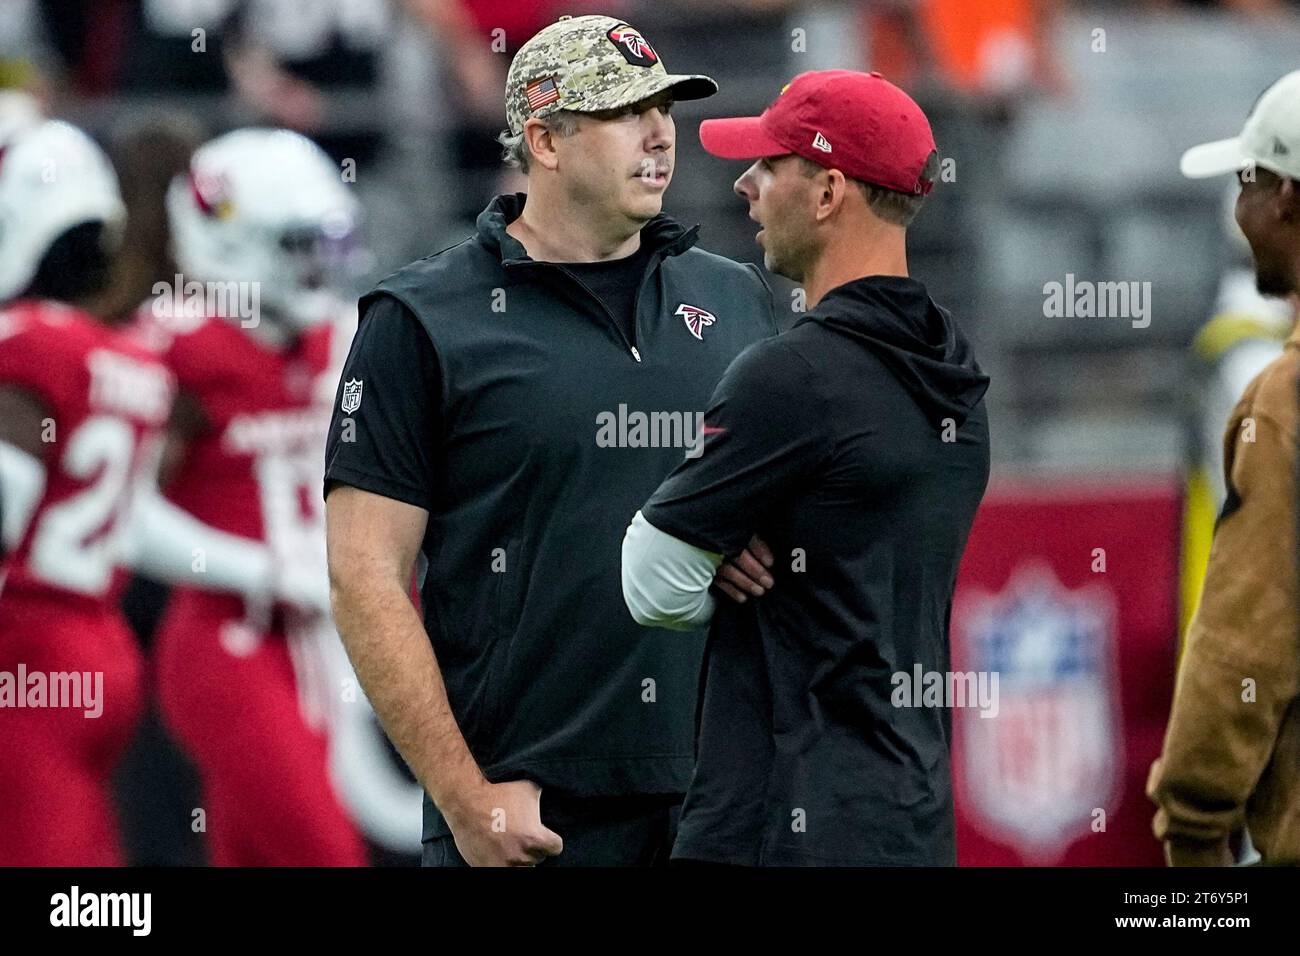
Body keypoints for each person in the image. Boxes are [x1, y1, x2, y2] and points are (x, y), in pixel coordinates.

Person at [324, 13, 778, 867]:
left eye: (666, 110)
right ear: (546, 140)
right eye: (624, 111)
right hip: (534, 817)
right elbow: (363, 576)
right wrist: (465, 799)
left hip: (725, 800)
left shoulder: (734, 297)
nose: (658, 135)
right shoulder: (422, 318)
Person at [621, 70, 991, 866]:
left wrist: (711, 546)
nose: (745, 184)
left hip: (780, 820)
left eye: (769, 165)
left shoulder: (792, 374)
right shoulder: (956, 369)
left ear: (827, 193)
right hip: (910, 816)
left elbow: (650, 578)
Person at [130, 128, 369, 866]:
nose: (318, 266)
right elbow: (126, 516)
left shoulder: (335, 335)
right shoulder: (174, 347)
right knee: (325, 854)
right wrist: (263, 569)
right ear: (228, 242)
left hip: (321, 644)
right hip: (227, 638)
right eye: (299, 245)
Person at [0, 120, 175, 865]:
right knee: (85, 858)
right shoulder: (134, 358)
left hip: (29, 651)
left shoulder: (29, 342)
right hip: (102, 643)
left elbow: (6, 494)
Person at [1148, 69, 1300, 868]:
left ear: (1283, 200)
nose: (1237, 215)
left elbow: (1253, 634)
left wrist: (1195, 813)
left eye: (1247, 187)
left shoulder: (1268, 382)